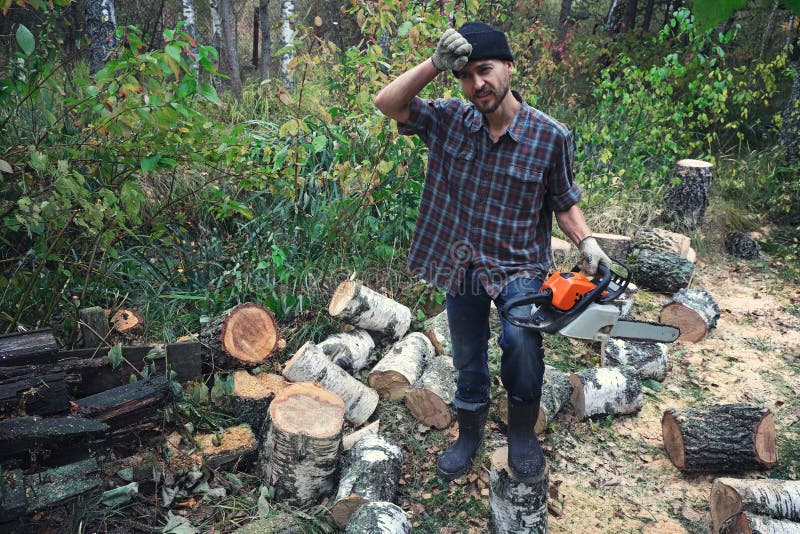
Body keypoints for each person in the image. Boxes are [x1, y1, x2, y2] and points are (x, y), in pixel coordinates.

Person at [374, 22, 612, 482]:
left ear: (508, 67)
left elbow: (564, 203)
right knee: (467, 354)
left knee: (521, 343)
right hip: (461, 261)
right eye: (465, 75)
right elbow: (388, 103)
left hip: (519, 264)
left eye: (484, 70)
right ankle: (469, 434)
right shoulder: (449, 120)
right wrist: (434, 64)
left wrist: (587, 241)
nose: (476, 84)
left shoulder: (550, 136)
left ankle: (522, 433)